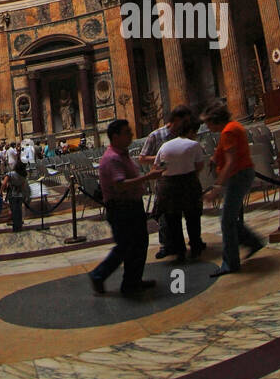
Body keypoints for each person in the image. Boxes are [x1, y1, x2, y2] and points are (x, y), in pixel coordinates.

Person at [89, 118, 160, 298]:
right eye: (127, 132)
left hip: (130, 206)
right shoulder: (113, 158)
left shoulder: (121, 155)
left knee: (137, 244)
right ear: (115, 136)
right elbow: (120, 185)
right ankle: (99, 275)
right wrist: (147, 177)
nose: (131, 135)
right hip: (122, 208)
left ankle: (132, 281)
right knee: (126, 246)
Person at [201, 98, 265, 277]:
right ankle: (252, 242)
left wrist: (216, 188)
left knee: (226, 220)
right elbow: (225, 151)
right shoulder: (232, 127)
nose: (206, 127)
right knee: (230, 218)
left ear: (215, 120)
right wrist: (215, 158)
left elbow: (230, 163)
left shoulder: (228, 131)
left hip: (238, 175)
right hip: (242, 173)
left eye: (207, 123)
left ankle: (231, 263)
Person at [151, 113, 206, 262]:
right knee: (192, 218)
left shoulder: (165, 145)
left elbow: (157, 166)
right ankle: (195, 247)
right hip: (188, 183)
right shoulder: (194, 145)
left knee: (173, 220)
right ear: (190, 132)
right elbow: (199, 166)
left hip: (168, 186)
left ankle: (180, 251)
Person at [3, 161, 30, 233]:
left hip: (12, 194)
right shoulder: (23, 175)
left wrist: (1, 192)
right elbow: (23, 185)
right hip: (20, 194)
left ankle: (15, 226)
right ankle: (19, 225)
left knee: (14, 210)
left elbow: (4, 183)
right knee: (19, 209)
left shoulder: (11, 174)